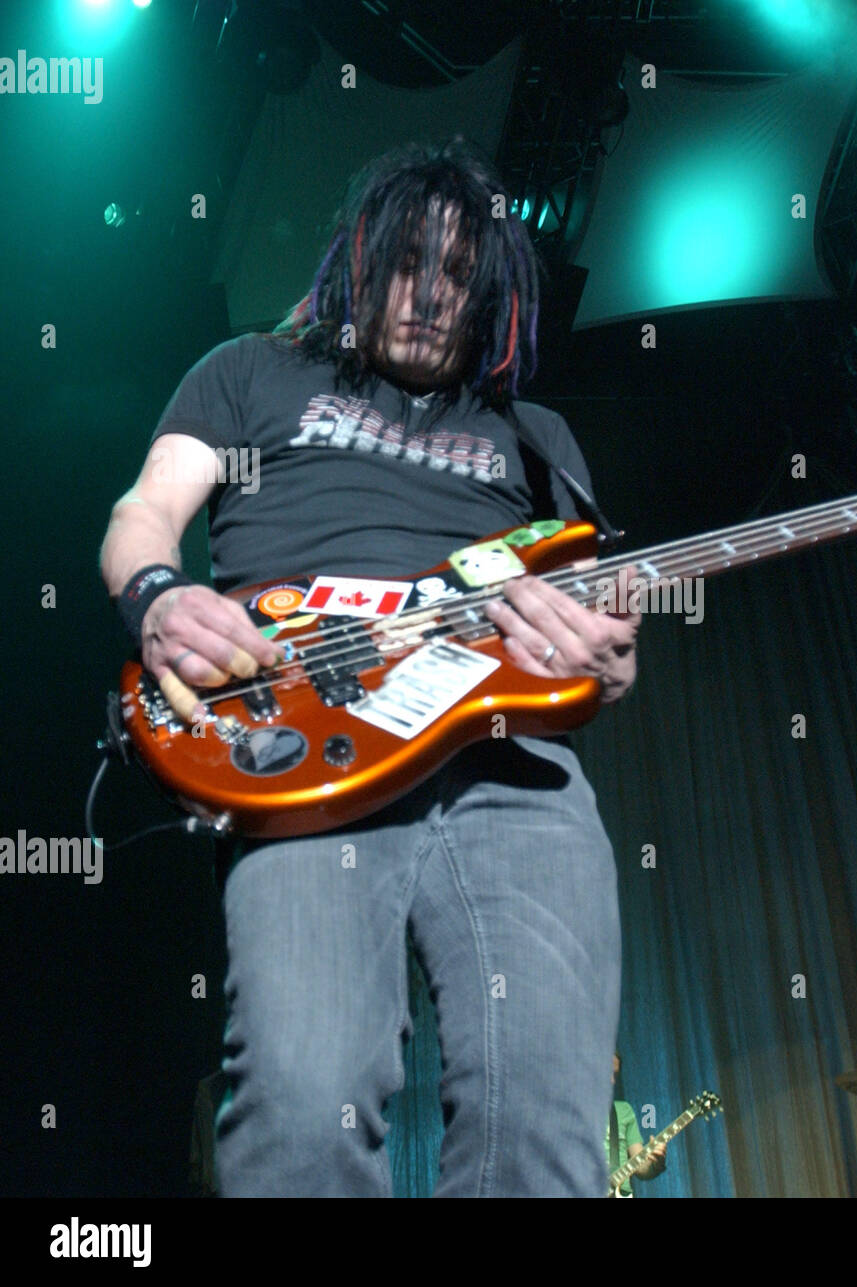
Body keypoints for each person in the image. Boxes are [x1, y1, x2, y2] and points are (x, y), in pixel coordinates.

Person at [100, 138, 641, 1196]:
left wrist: (609, 662)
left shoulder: (536, 438)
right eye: (409, 264)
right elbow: (143, 514)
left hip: (510, 760)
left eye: (457, 275)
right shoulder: (251, 369)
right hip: (308, 744)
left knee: (545, 1122)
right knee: (302, 1106)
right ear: (360, 259)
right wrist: (161, 599)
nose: (430, 296)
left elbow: (604, 642)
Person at [607, 1052, 667, 1197]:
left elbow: (642, 1170)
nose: (612, 1081)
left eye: (614, 1074)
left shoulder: (623, 1110)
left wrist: (657, 1161)